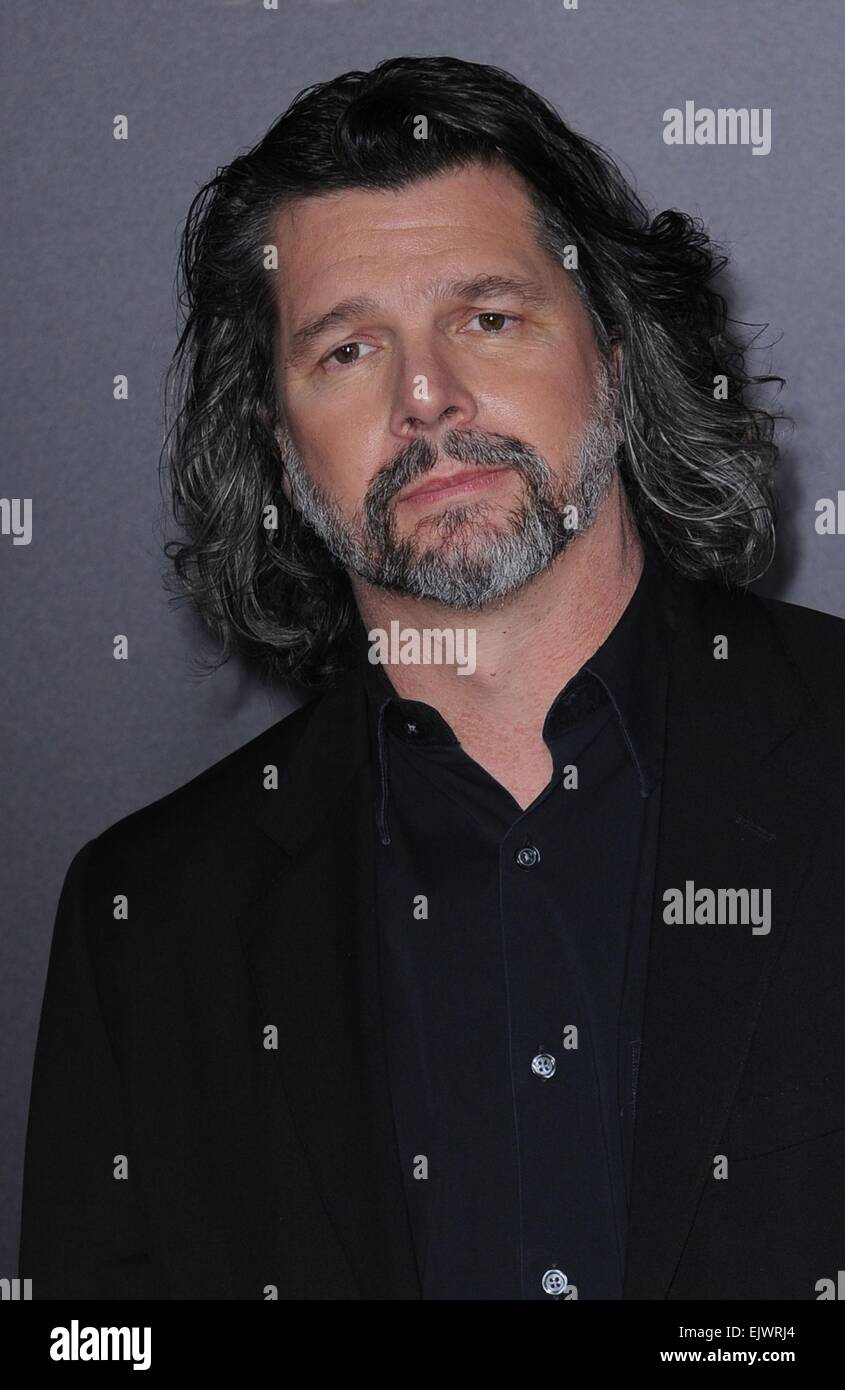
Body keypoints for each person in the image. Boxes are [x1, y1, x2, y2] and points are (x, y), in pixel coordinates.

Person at [20, 55, 845, 1301]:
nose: (426, 399)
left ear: (614, 354)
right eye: (347, 351)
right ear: (275, 443)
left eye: (487, 318)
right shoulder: (149, 927)